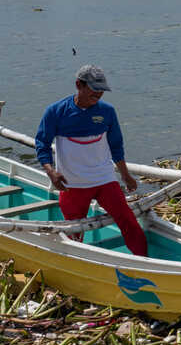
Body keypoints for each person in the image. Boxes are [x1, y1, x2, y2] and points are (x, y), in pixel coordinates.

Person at [35, 64, 148, 256]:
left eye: (102, 91)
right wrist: (51, 172)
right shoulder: (55, 112)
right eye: (95, 90)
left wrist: (126, 176)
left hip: (104, 180)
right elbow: (42, 144)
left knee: (128, 221)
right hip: (73, 184)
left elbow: (116, 146)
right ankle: (80, 261)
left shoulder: (107, 112)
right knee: (74, 233)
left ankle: (144, 261)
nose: (99, 95)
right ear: (79, 84)